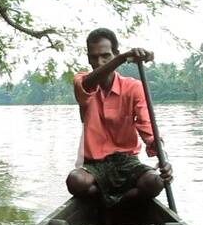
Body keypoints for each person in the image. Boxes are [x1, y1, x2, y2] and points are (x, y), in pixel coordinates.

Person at [66, 27, 172, 211]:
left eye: (106, 56)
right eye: (94, 57)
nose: (99, 62)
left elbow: (148, 127)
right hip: (94, 164)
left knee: (156, 182)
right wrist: (122, 58)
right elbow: (87, 85)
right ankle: (117, 201)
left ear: (114, 52)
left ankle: (115, 202)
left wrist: (164, 159)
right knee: (75, 181)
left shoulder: (133, 87)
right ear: (88, 58)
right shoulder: (82, 81)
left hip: (126, 161)